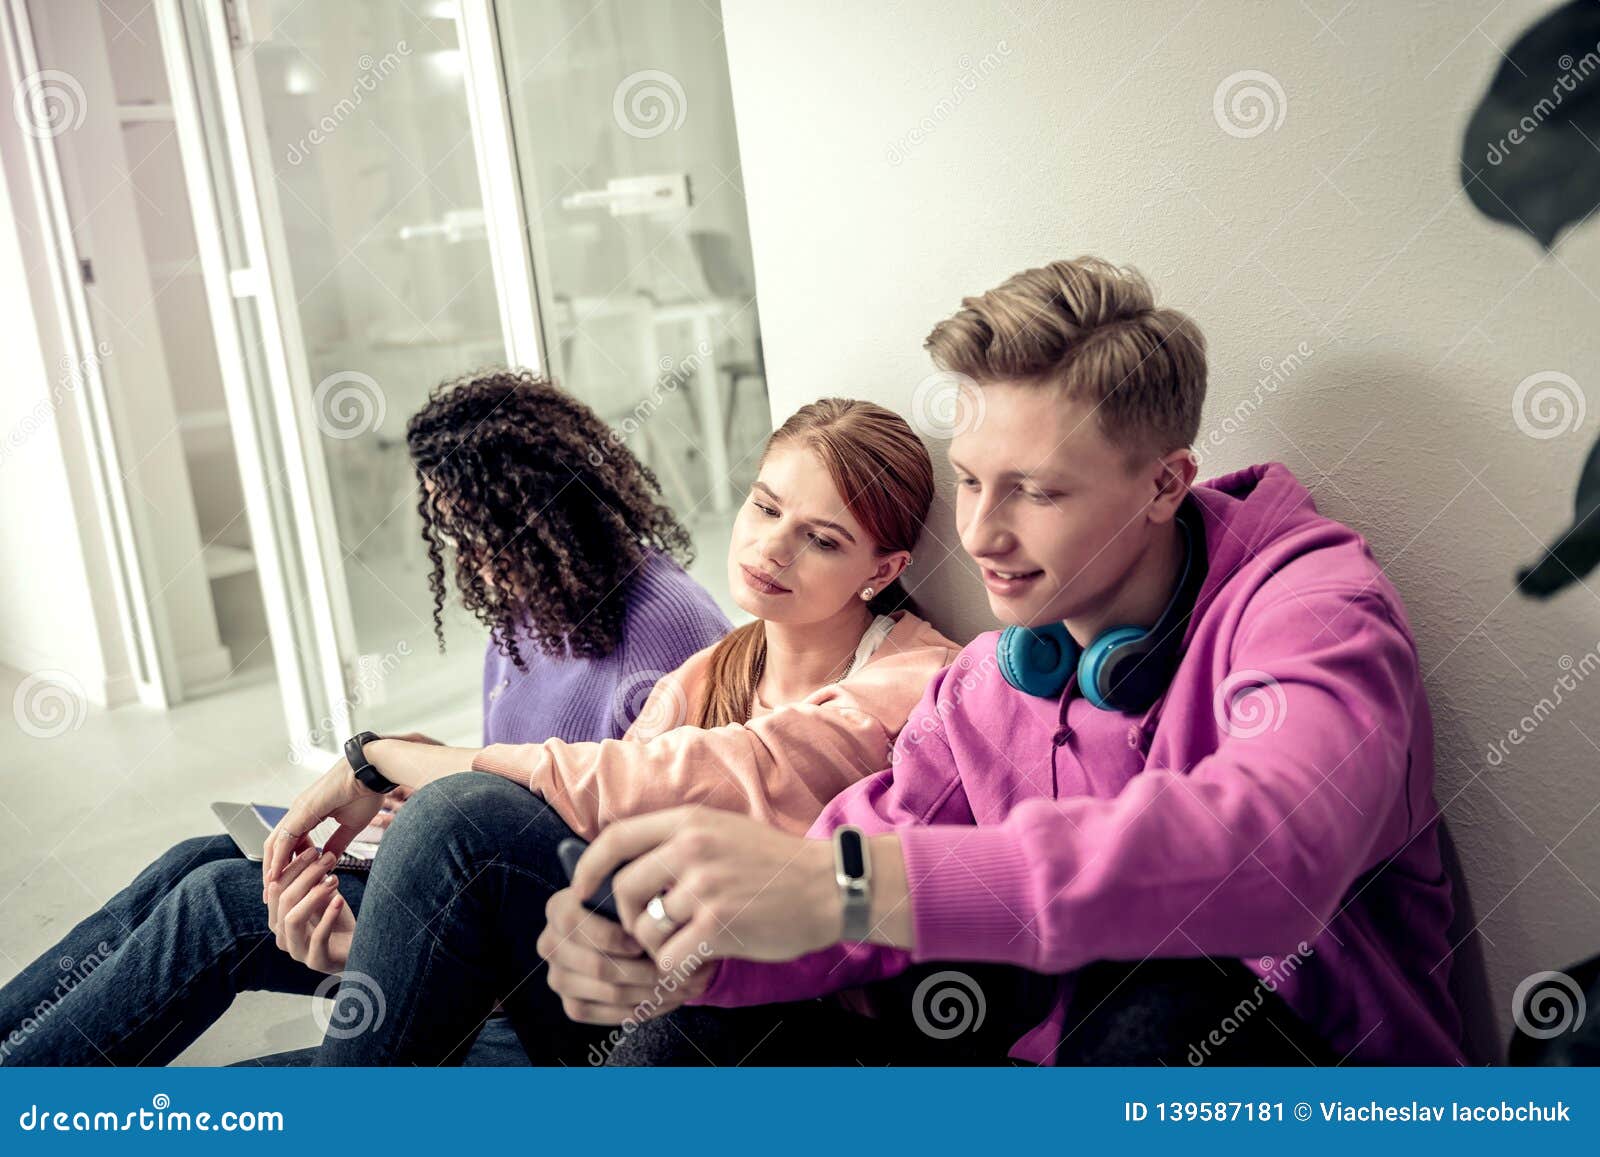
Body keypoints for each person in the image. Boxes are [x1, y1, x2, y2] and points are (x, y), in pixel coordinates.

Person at [544, 256, 1469, 1066]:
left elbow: (1271, 852)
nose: (982, 533)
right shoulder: (986, 682)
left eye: (1035, 491)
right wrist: (678, 946)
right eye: (974, 479)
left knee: (1160, 997)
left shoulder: (1314, 607)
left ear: (1164, 483)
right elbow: (840, 880)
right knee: (694, 1034)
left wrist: (855, 888)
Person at [0, 369, 730, 1066]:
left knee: (218, 902)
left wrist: (434, 864)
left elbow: (633, 852)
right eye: (450, 533)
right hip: (490, 869)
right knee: (200, 856)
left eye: (480, 532)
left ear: (548, 508)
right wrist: (428, 790)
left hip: (550, 935)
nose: (467, 560)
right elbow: (522, 768)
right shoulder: (530, 604)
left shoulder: (668, 634)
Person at [250, 397, 962, 1065]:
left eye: (822, 540)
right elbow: (587, 854)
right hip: (634, 978)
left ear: (884, 570)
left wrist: (376, 758)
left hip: (780, 1021)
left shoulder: (915, 682)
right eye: (766, 506)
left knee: (457, 815)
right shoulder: (710, 671)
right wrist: (386, 952)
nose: (772, 548)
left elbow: (643, 782)